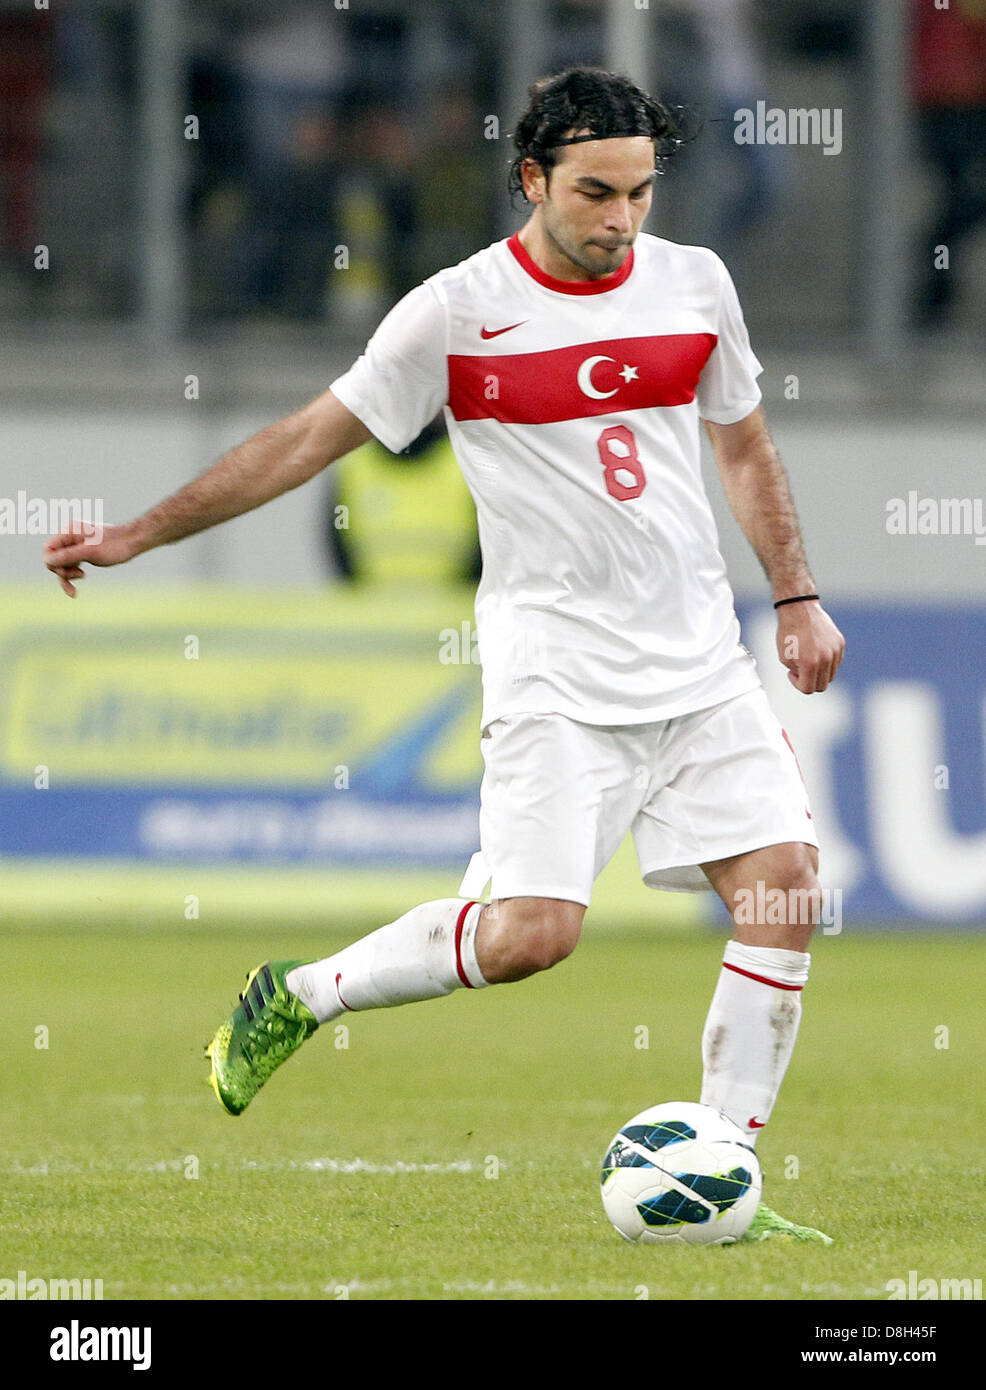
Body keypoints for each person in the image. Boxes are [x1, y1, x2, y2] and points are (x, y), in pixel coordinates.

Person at [44, 68, 845, 1244]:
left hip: (698, 663)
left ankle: (721, 1170)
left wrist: (795, 595)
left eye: (637, 194)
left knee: (782, 892)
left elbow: (742, 448)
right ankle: (303, 994)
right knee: (531, 939)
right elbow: (306, 440)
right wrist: (136, 533)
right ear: (528, 179)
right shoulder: (456, 313)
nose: (619, 220)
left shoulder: (695, 284)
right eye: (591, 193)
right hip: (556, 675)